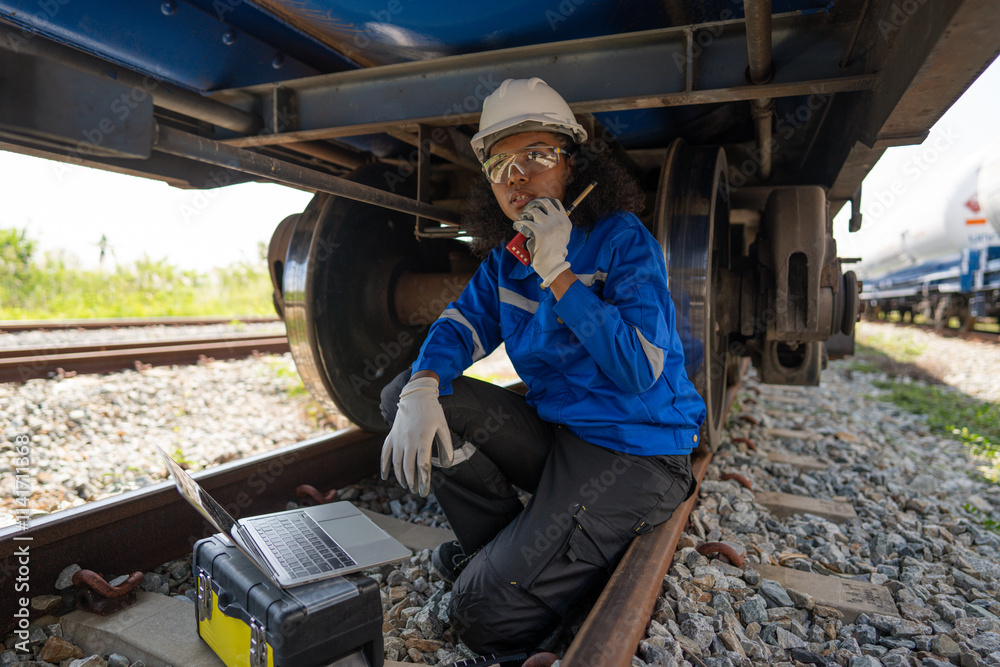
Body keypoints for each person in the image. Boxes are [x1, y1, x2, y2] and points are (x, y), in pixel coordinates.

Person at [379, 78, 705, 654]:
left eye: (536, 156)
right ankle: (507, 542)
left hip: (637, 452)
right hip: (561, 436)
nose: (517, 177)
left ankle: (526, 584)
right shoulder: (510, 259)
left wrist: (560, 274)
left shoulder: (621, 239)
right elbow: (459, 326)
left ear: (571, 164)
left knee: (480, 613)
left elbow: (638, 371)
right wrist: (423, 385)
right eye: (500, 165)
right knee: (404, 393)